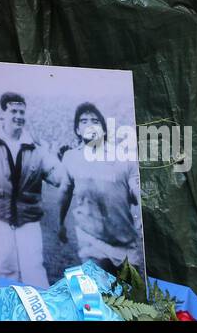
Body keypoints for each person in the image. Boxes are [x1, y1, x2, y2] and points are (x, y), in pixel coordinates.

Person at [0, 92, 64, 287]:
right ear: (3, 112)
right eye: (14, 111)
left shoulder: (35, 146)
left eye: (22, 111)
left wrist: (64, 165)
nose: (19, 116)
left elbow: (57, 176)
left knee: (33, 267)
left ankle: (40, 312)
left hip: (28, 217)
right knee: (4, 265)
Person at [56, 102, 142, 273]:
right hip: (90, 238)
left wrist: (141, 216)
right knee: (100, 291)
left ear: (103, 129)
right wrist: (60, 224)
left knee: (130, 295)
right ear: (77, 130)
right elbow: (64, 193)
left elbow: (137, 190)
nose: (89, 124)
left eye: (95, 121)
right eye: (83, 121)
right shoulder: (71, 158)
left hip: (125, 239)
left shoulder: (124, 157)